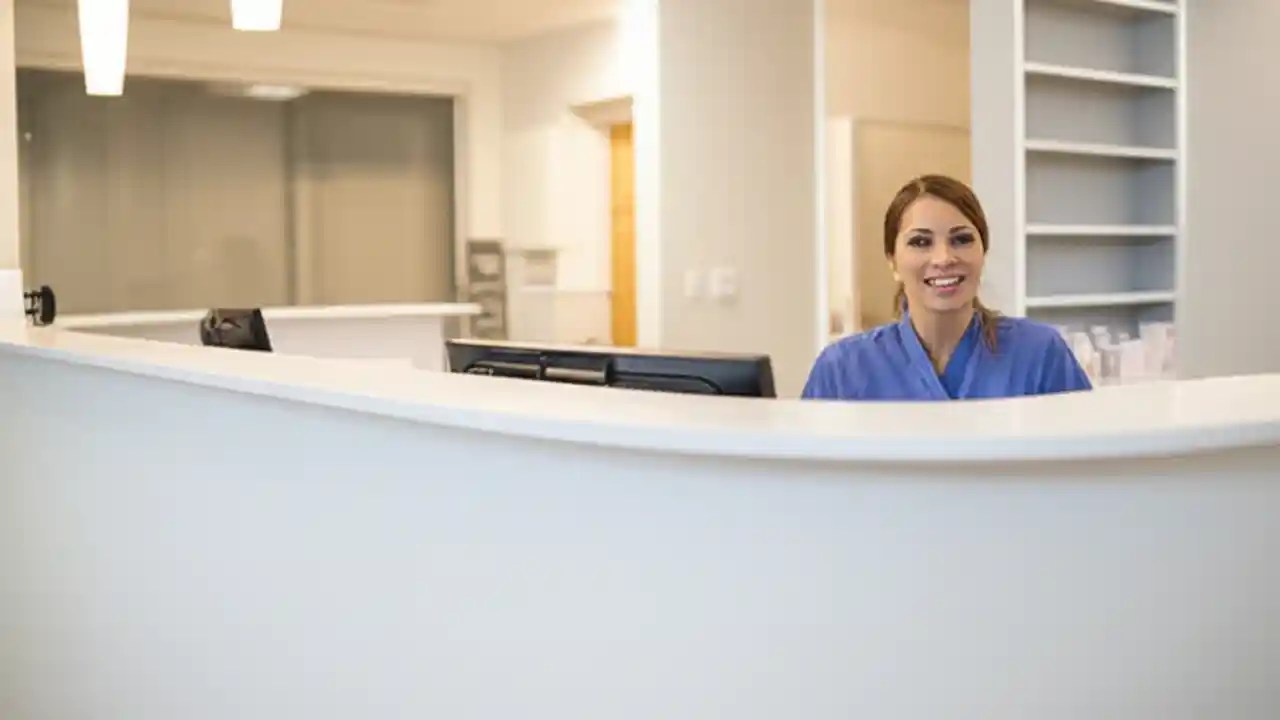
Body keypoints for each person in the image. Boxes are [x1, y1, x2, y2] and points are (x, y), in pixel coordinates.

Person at [802, 174, 1091, 401]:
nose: (943, 258)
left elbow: (1086, 465)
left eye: (961, 239)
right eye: (920, 242)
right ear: (892, 261)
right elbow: (807, 474)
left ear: (983, 251)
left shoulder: (1039, 353)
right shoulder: (841, 370)